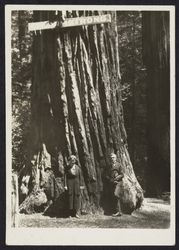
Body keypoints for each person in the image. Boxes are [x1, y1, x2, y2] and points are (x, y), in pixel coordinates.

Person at [109, 153, 124, 217]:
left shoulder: (119, 165)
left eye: (113, 157)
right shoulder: (109, 166)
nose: (112, 159)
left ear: (116, 158)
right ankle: (116, 211)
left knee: (116, 195)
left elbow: (122, 174)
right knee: (113, 196)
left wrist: (116, 178)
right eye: (111, 158)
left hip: (118, 183)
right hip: (112, 183)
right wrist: (111, 180)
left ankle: (119, 211)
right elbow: (107, 174)